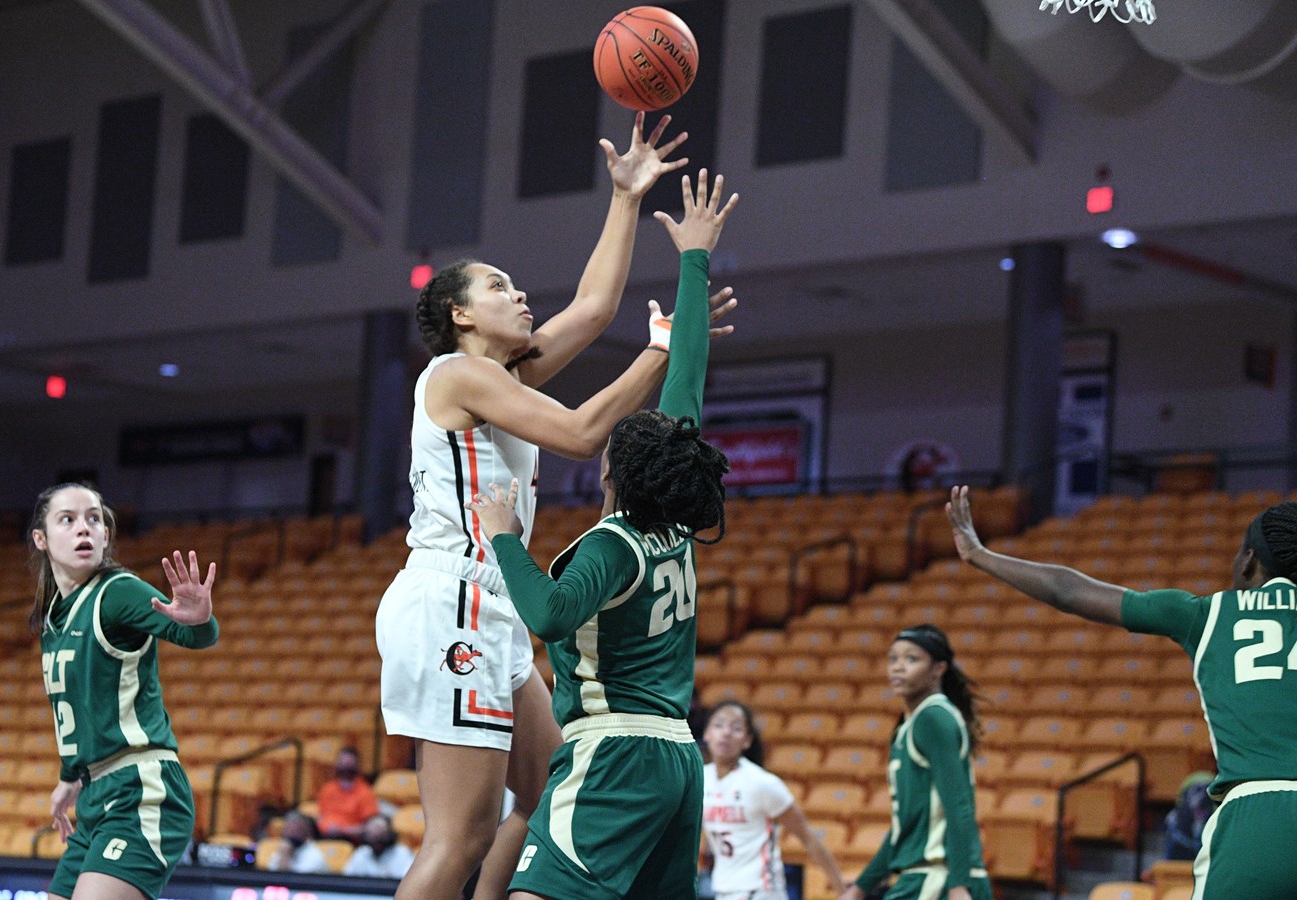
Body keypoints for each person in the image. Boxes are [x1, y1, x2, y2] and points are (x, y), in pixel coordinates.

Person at [378, 112, 738, 900]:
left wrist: (627, 197)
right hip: (455, 598)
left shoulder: (503, 382)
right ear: (462, 315)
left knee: (544, 796)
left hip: (493, 601)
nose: (520, 294)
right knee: (460, 832)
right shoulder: (454, 375)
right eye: (499, 287)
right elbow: (582, 435)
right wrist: (660, 351)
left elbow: (598, 305)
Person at [945, 486, 1297, 898]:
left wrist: (980, 554)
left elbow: (1069, 592)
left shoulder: (1207, 613)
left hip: (1254, 817)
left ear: (1250, 559)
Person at [30, 482, 220, 900]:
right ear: (40, 539)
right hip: (96, 795)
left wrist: (198, 619)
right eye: (69, 519)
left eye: (94, 519)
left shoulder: (116, 591)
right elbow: (79, 706)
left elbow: (194, 634)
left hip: (141, 787)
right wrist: (70, 778)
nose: (85, 528)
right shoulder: (53, 619)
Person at [842, 626, 991, 900]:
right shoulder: (909, 726)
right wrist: (860, 888)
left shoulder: (933, 718)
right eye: (893, 659)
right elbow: (905, 827)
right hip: (924, 877)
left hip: (940, 877)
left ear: (938, 669)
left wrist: (959, 885)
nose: (898, 667)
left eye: (912, 659)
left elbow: (958, 806)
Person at [702, 700, 848, 900]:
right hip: (723, 890)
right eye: (718, 725)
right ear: (707, 734)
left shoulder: (762, 783)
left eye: (736, 728)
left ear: (747, 740)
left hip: (762, 890)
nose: (726, 733)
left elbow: (808, 836)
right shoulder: (700, 780)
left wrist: (842, 890)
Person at [315, 747, 379, 841]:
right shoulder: (328, 789)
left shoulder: (366, 792)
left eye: (349, 764)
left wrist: (342, 830)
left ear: (357, 766)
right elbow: (320, 817)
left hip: (351, 840)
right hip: (323, 836)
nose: (345, 768)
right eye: (343, 764)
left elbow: (368, 827)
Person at [343, 814, 416, 879]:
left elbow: (408, 882)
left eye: (381, 833)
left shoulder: (402, 853)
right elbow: (348, 879)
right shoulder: (361, 852)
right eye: (372, 834)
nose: (376, 837)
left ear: (389, 834)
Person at [1163, 771, 1215, 861]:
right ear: (1184, 796)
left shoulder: (1221, 825)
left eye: (1208, 791)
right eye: (1197, 790)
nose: (1204, 797)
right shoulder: (1174, 823)